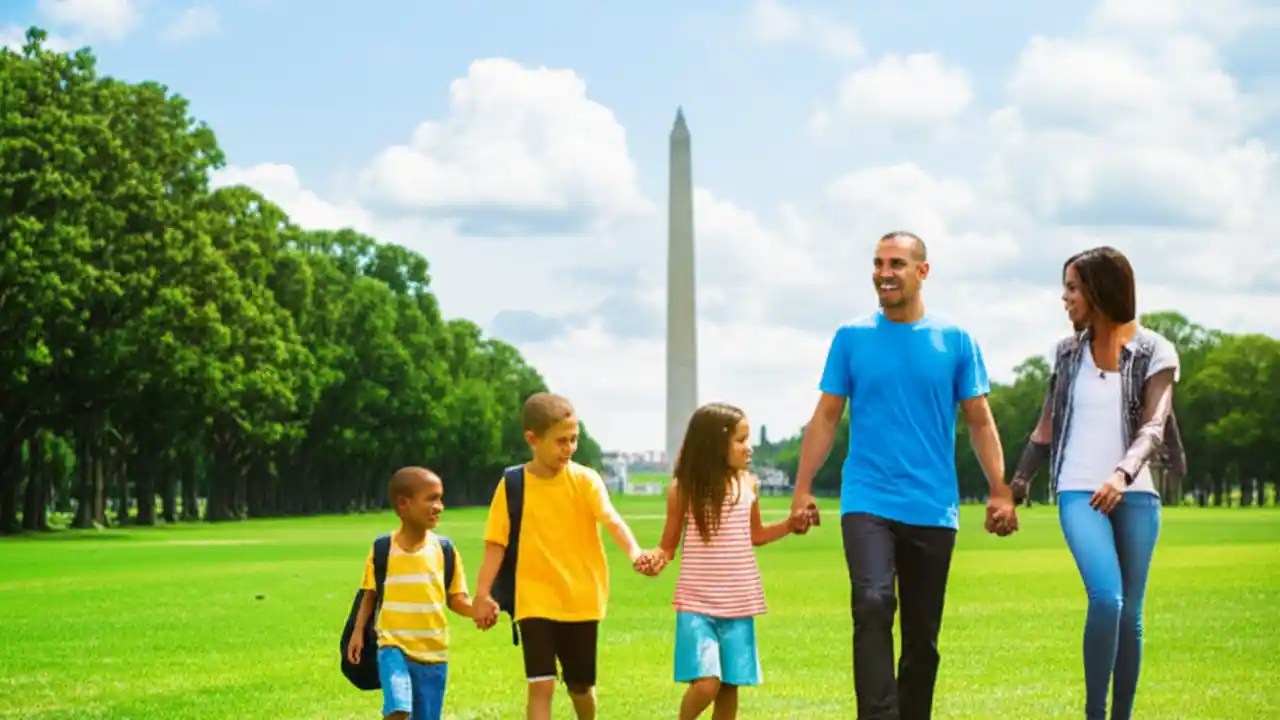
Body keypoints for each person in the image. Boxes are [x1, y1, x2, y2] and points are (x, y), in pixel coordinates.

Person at [787, 231, 1018, 720]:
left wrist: (1001, 489)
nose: (883, 273)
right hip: (867, 497)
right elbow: (826, 416)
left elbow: (980, 420)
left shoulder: (955, 341)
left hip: (932, 505)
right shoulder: (851, 338)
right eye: (877, 263)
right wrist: (803, 487)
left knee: (922, 638)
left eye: (895, 263)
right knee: (871, 604)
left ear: (922, 271)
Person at [1009, 246, 1179, 720]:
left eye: (1072, 288)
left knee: (1130, 612)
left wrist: (1122, 475)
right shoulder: (1066, 353)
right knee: (1107, 597)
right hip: (1078, 488)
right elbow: (1045, 429)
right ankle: (1094, 714)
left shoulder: (1155, 351)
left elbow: (1154, 425)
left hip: (1136, 491)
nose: (1064, 298)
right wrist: (1017, 483)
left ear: (1099, 291)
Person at [471, 392, 659, 720]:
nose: (569, 448)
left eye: (574, 439)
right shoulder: (513, 484)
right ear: (533, 439)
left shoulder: (586, 480)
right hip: (534, 601)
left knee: (580, 687)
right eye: (561, 441)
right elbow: (495, 544)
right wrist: (483, 594)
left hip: (581, 600)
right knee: (540, 686)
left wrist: (635, 552)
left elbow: (612, 520)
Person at [646, 402, 811, 720]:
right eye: (740, 440)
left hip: (738, 602)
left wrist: (791, 525)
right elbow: (667, 546)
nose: (748, 448)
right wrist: (655, 559)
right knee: (707, 684)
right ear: (714, 444)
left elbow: (756, 535)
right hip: (698, 603)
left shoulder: (748, 484)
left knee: (730, 686)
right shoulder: (684, 489)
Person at [346, 466, 474, 720]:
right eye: (432, 498)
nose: (440, 506)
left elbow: (456, 599)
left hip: (434, 653)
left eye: (440, 498)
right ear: (404, 504)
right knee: (399, 707)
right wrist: (357, 633)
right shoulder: (383, 548)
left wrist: (478, 609)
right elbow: (369, 595)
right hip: (393, 647)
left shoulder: (444, 549)